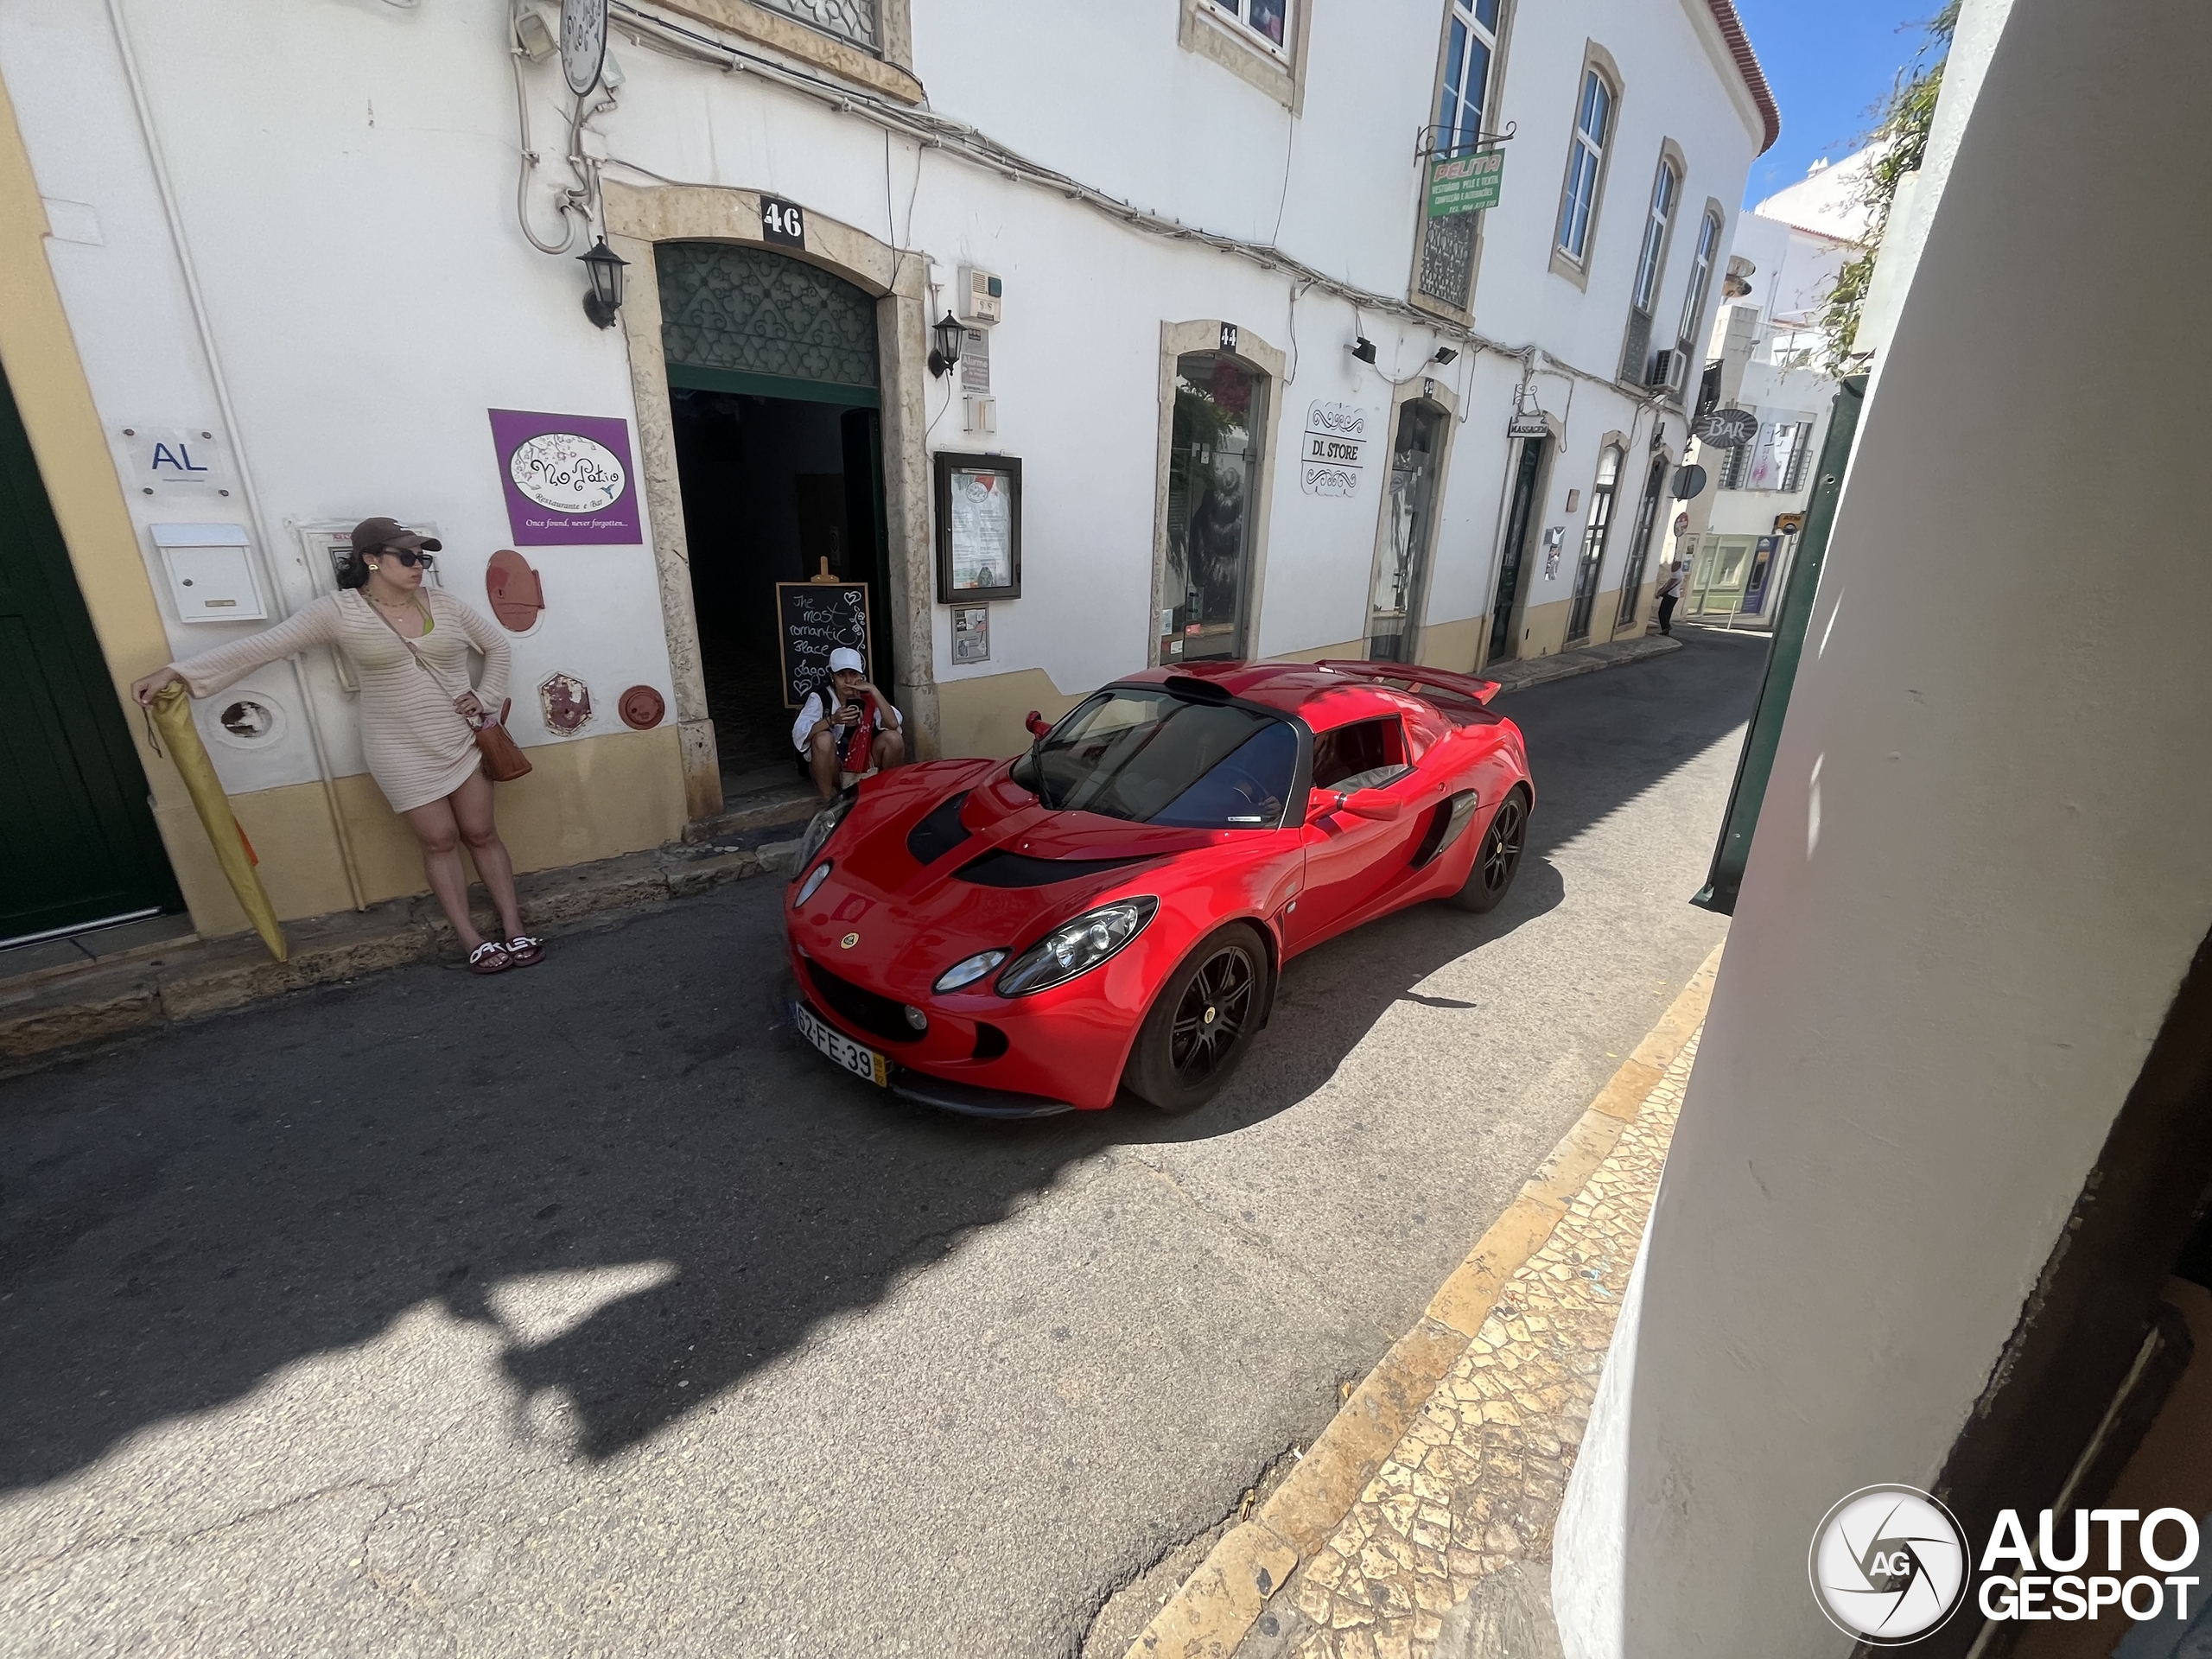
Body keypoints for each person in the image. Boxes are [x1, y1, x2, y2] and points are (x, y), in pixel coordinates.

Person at [130, 517, 543, 976]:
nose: (418, 566)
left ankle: (512, 925)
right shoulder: (339, 611)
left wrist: (484, 699)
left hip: (461, 738)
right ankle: (470, 937)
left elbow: (498, 648)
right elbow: (264, 647)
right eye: (406, 557)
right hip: (397, 746)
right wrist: (178, 673)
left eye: (422, 558)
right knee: (440, 840)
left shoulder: (443, 604)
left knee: (482, 833)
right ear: (371, 559)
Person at [792, 647, 903, 799]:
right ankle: (829, 798)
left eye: (853, 674)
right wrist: (832, 720)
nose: (848, 681)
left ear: (861, 676)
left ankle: (887, 791)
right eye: (841, 675)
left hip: (865, 764)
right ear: (832, 677)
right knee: (823, 739)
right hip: (834, 768)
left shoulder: (868, 697)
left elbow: (892, 724)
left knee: (894, 738)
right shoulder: (820, 698)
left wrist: (873, 690)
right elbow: (800, 733)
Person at [1656, 559, 1686, 636]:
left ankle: (1666, 627)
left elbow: (1669, 586)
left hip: (1671, 595)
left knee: (1662, 612)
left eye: (1674, 566)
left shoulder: (1677, 575)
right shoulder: (1679, 574)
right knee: (1667, 613)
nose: (1672, 567)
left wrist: (1660, 593)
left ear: (1678, 567)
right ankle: (1665, 630)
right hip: (1675, 595)